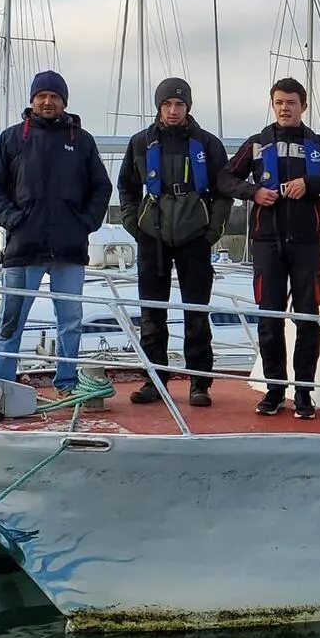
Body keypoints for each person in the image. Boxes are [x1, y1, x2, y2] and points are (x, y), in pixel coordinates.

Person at [218, 77, 320, 418]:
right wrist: (253, 192)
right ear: (273, 105)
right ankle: (275, 390)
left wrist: (309, 184)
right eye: (279, 102)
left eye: (291, 102)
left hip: (307, 245)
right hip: (267, 244)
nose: (285, 108)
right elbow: (224, 178)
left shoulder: (319, 146)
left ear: (303, 106)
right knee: (270, 319)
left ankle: (304, 392)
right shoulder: (257, 144)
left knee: (307, 318)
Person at [0, 70, 113, 396]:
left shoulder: (81, 141)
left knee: (70, 321)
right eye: (42, 96)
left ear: (64, 102)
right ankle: (1, 384)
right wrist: (11, 218)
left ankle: (67, 384)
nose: (48, 101)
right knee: (11, 319)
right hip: (23, 247)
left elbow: (101, 187)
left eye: (54, 96)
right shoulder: (12, 139)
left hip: (69, 249)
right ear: (33, 100)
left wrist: (86, 222)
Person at [117, 77, 231, 407]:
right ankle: (155, 381)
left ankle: (199, 383)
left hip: (195, 235)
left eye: (179, 104)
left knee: (196, 313)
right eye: (167, 104)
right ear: (158, 107)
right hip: (151, 235)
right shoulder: (141, 142)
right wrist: (133, 224)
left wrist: (212, 232)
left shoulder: (208, 144)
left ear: (188, 107)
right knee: (152, 314)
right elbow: (127, 186)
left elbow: (224, 191)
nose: (173, 110)